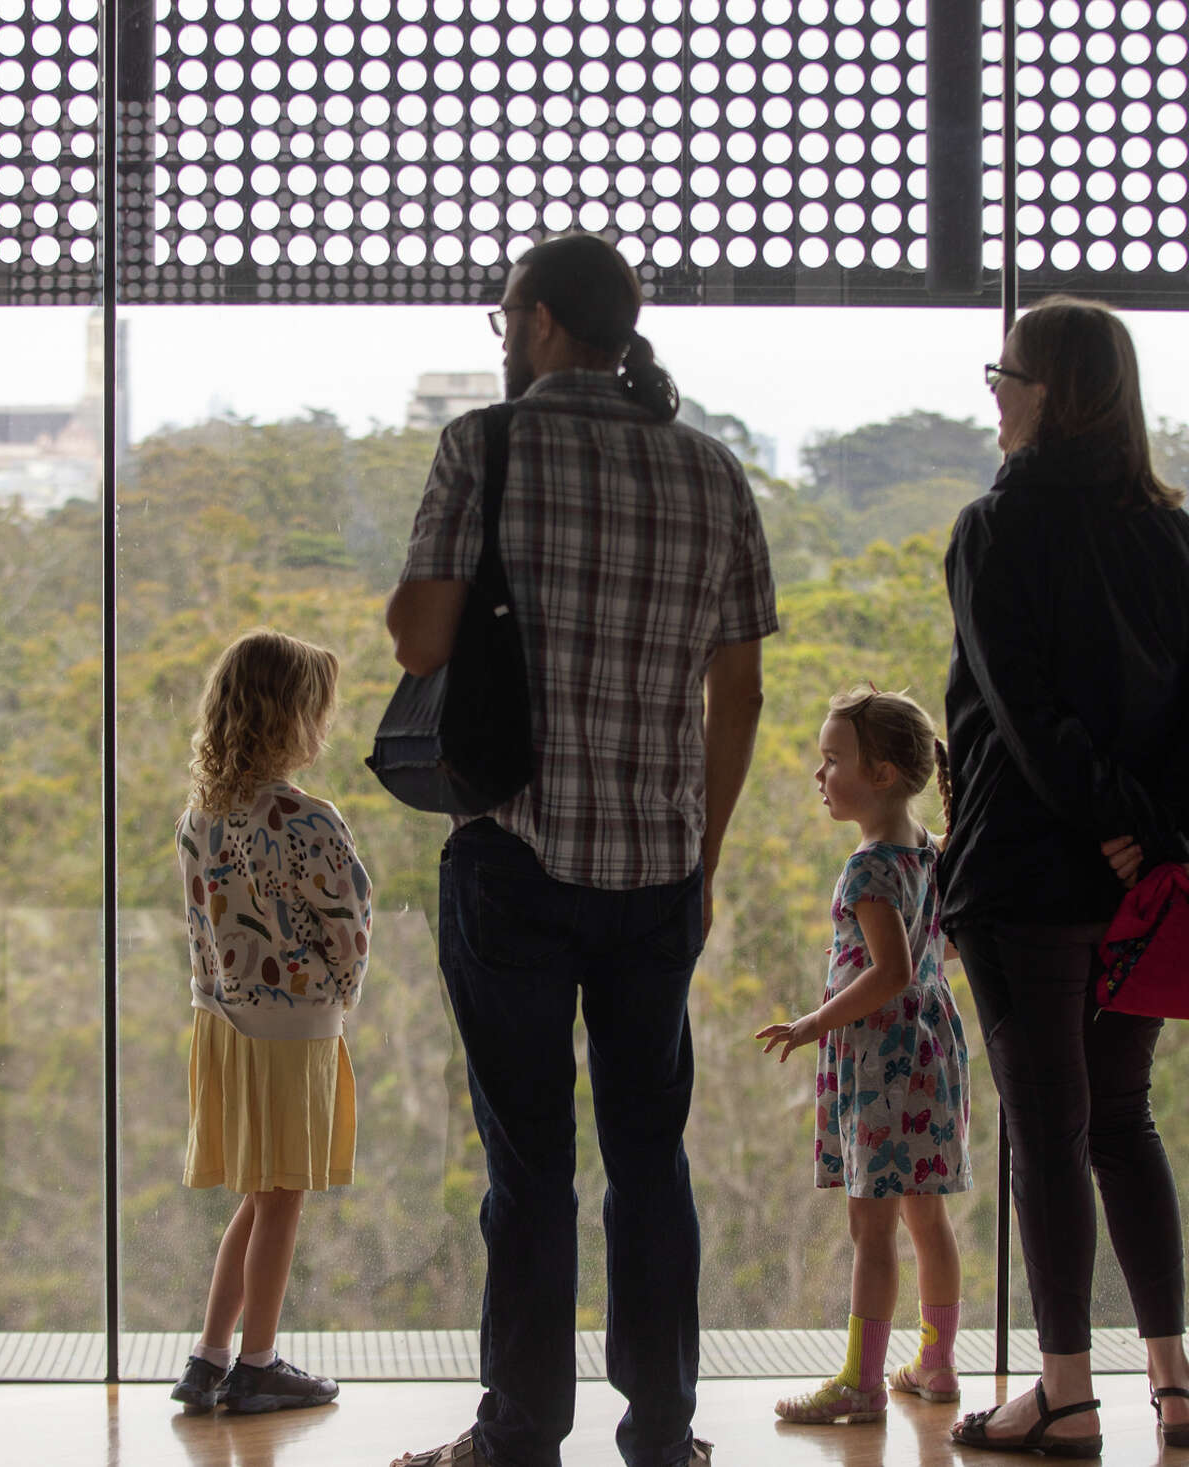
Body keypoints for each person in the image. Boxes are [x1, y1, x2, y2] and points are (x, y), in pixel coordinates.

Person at [385, 233, 777, 1467]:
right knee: (649, 1165)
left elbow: (416, 639)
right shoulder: (713, 471)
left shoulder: (483, 446)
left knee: (529, 1167)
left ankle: (520, 1434)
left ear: (541, 321)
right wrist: (702, 858)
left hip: (516, 857)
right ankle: (661, 1431)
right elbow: (743, 693)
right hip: (658, 871)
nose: (499, 333)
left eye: (502, 313)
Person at [940, 298, 1189, 1456]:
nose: (994, 391)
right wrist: (1164, 833)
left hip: (1027, 874)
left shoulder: (994, 528)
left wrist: (1117, 825)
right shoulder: (1171, 535)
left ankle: (1064, 1393)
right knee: (1123, 1120)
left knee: (1047, 1125)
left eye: (1004, 372)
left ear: (1048, 391)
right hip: (1139, 889)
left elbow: (1023, 712)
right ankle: (1175, 1387)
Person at [169, 629, 374, 1417]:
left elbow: (199, 924)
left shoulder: (201, 817)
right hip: (293, 1031)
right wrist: (337, 993)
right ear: (291, 717)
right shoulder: (307, 818)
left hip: (222, 1023)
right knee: (282, 1196)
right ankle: (257, 1362)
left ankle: (209, 1354)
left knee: (258, 1195)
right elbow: (348, 928)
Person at [754, 687, 971, 1425]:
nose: (820, 775)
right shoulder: (931, 850)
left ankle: (862, 1380)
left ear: (880, 773)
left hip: (881, 1058)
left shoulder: (869, 869)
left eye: (832, 759)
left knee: (870, 1227)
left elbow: (890, 972)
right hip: (930, 1048)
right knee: (926, 1216)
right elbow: (930, 954)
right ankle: (936, 1364)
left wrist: (815, 1020)